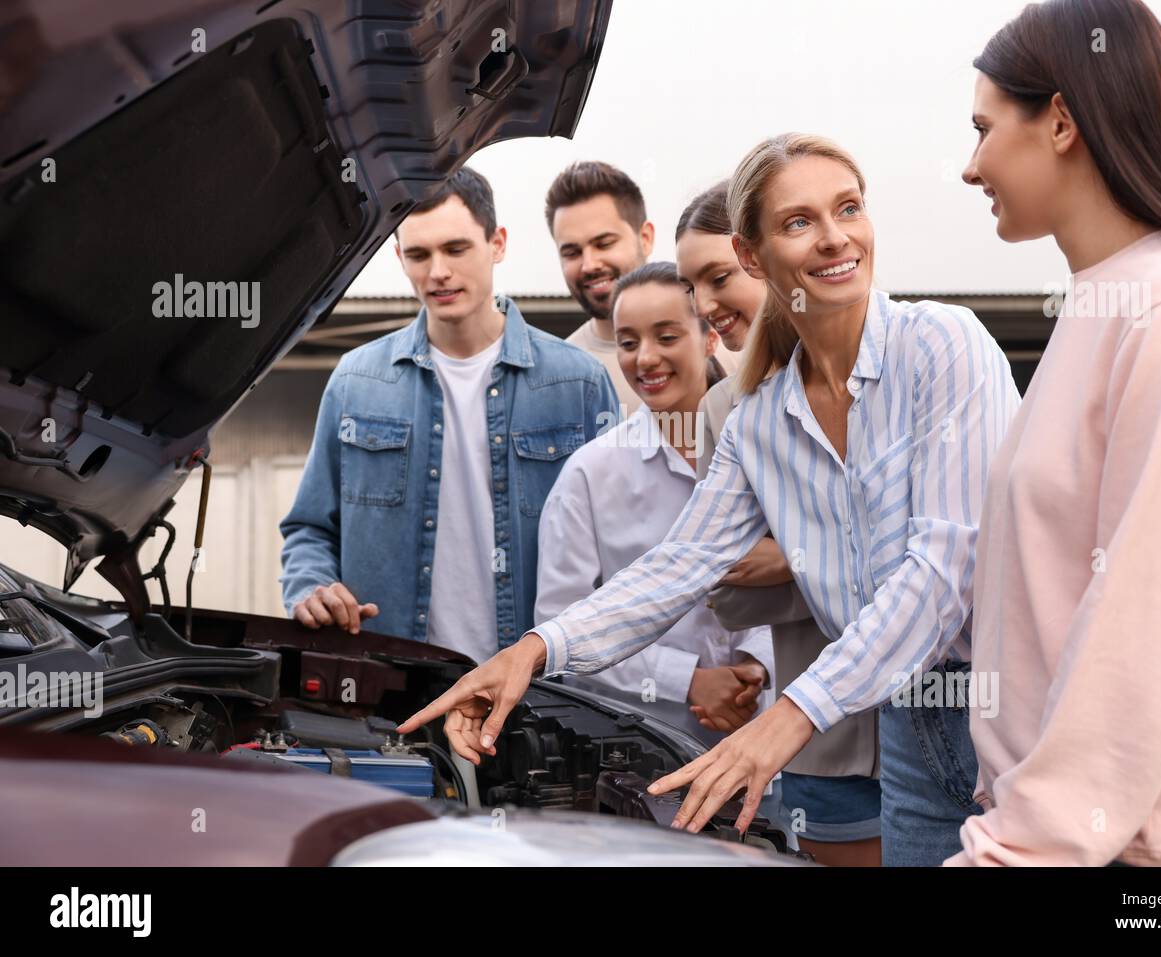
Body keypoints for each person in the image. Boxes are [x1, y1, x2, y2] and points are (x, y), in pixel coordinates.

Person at [399, 134, 1021, 867]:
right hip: (905, 722)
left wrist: (788, 716)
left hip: (1010, 702)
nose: (834, 238)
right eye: (798, 222)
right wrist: (533, 651)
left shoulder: (943, 345)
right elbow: (679, 566)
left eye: (848, 208)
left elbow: (941, 572)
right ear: (753, 254)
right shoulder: (759, 418)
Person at [950, 0, 1161, 866]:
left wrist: (1023, 846)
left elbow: (1156, 621)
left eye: (985, 128)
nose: (970, 166)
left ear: (1060, 121)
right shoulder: (1113, 302)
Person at [279, 167, 618, 658]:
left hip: (537, 689)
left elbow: (620, 552)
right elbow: (309, 527)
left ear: (496, 243)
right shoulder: (356, 382)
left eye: (456, 249)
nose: (437, 271)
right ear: (399, 257)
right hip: (391, 682)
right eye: (418, 254)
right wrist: (310, 587)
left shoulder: (578, 385)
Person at [677, 182, 882, 866]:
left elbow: (945, 560)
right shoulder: (725, 409)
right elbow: (726, 590)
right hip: (824, 750)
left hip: (945, 726)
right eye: (691, 286)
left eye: (718, 277)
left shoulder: (913, 363)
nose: (705, 306)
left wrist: (792, 554)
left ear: (763, 260)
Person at [535, 261, 774, 745]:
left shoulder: (770, 449)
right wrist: (688, 680)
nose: (644, 359)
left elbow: (810, 583)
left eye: (666, 337)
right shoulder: (590, 474)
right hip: (637, 756)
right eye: (627, 342)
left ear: (710, 337)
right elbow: (560, 627)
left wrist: (758, 666)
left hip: (767, 745)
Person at [544, 161, 740, 416]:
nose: (589, 265)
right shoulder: (558, 377)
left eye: (604, 244)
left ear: (645, 237)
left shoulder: (732, 343)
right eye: (572, 252)